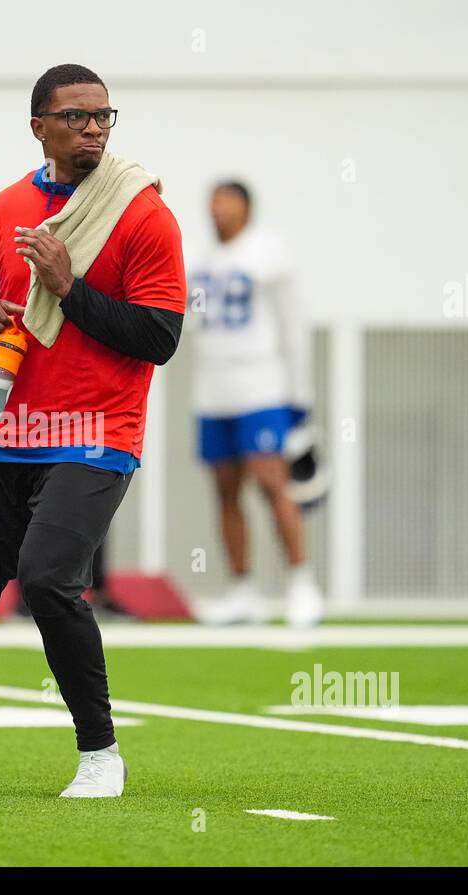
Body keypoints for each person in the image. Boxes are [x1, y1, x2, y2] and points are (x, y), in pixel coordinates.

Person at [0, 64, 185, 798]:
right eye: (76, 117)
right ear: (39, 127)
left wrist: (67, 290)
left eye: (104, 117)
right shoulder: (6, 205)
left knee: (50, 581)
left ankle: (100, 755)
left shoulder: (142, 213)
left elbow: (159, 335)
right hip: (8, 433)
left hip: (95, 432)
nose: (93, 129)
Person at [186, 182, 323, 627]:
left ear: (246, 208)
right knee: (225, 489)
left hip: (261, 384)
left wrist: (299, 394)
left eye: (226, 202)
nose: (217, 210)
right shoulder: (201, 260)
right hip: (213, 387)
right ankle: (242, 588)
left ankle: (301, 582)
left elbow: (292, 323)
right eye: (213, 203)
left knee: (271, 482)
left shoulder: (267, 253)